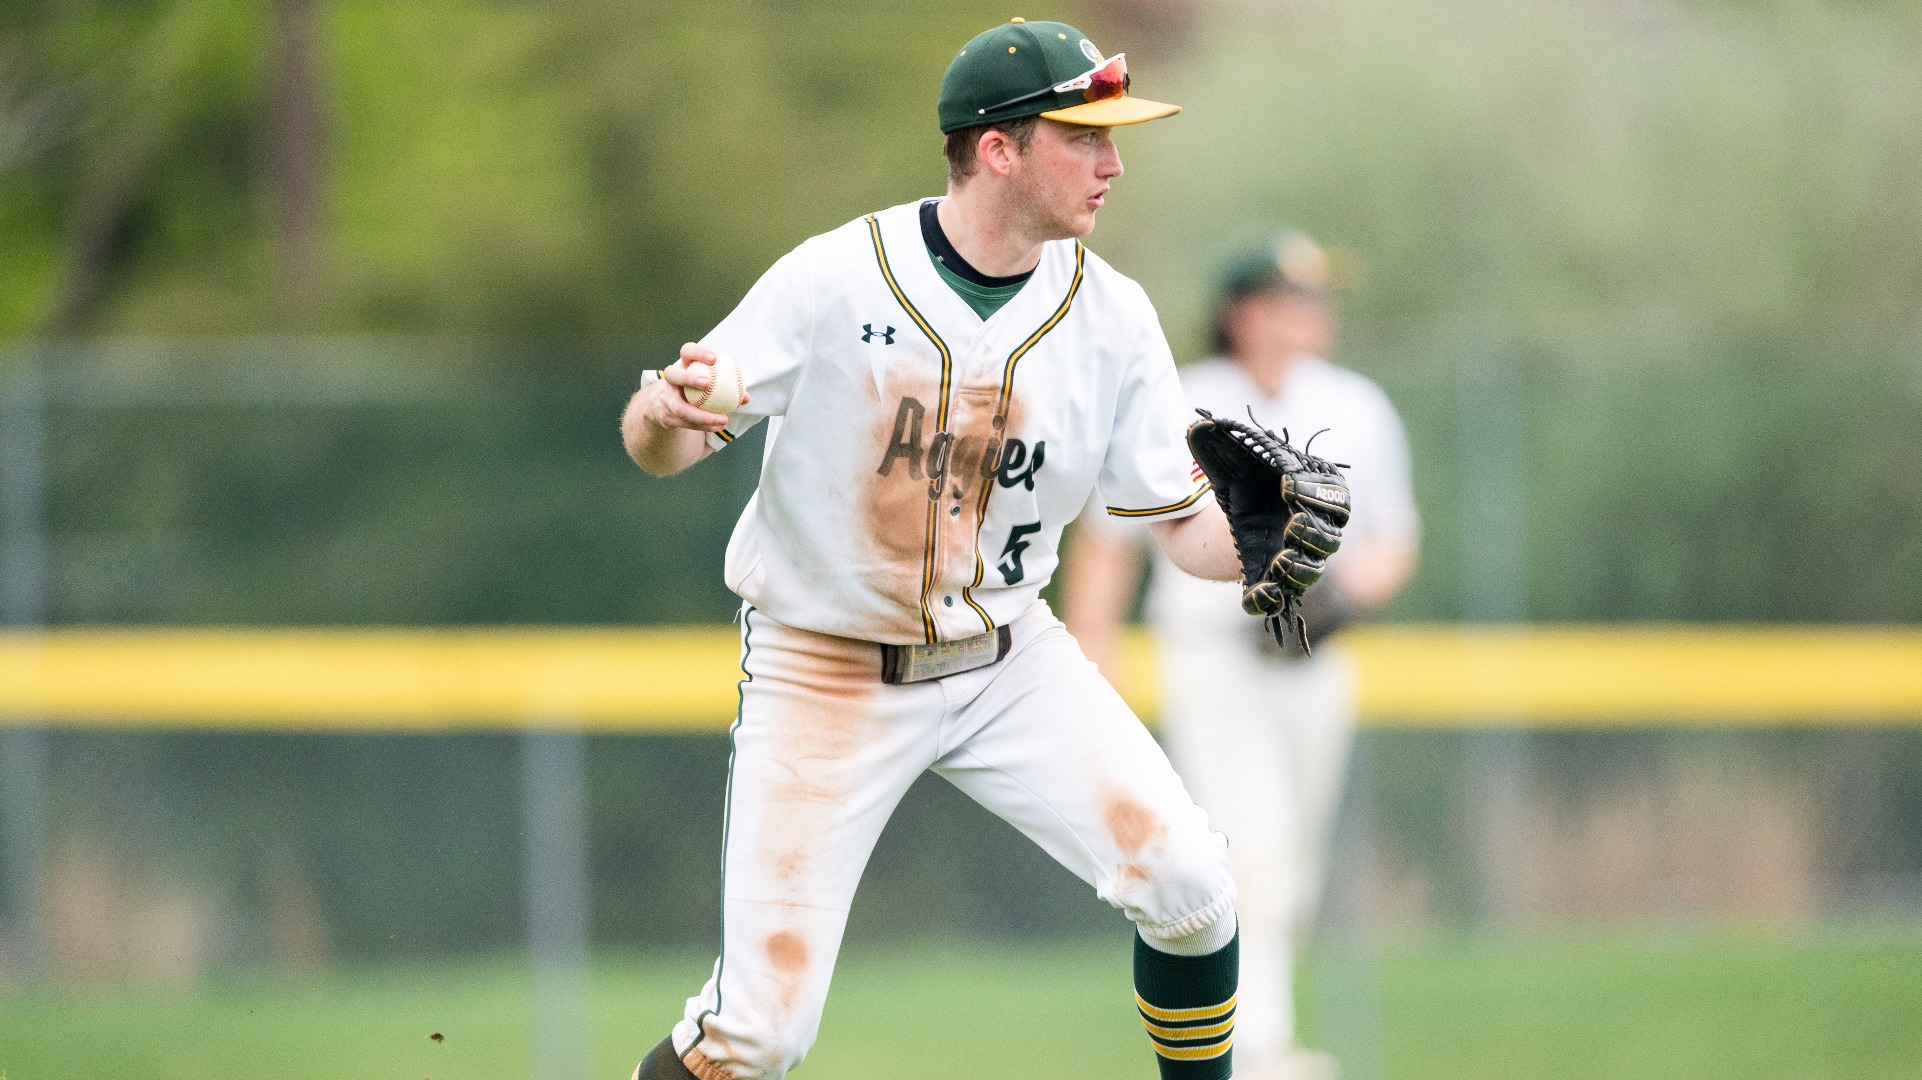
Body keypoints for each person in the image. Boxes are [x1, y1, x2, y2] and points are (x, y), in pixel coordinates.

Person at [620, 19, 1260, 1080]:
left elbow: (1178, 523)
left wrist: (1258, 540)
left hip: (1008, 657)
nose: (1111, 163)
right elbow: (665, 444)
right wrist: (660, 408)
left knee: (1188, 886)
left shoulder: (1111, 318)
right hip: (823, 668)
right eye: (1084, 137)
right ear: (998, 149)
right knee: (758, 1036)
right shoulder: (835, 278)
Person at [1064, 233, 1419, 1080]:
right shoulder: (1187, 398)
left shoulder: (1358, 404)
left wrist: (1346, 596)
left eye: (1319, 298)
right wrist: (1093, 661)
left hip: (1310, 656)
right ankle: (1257, 1049)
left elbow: (1392, 542)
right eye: (1296, 299)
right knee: (1245, 843)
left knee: (1293, 855)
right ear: (1243, 314)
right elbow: (1110, 542)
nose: (1315, 314)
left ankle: (1261, 1029)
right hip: (1212, 649)